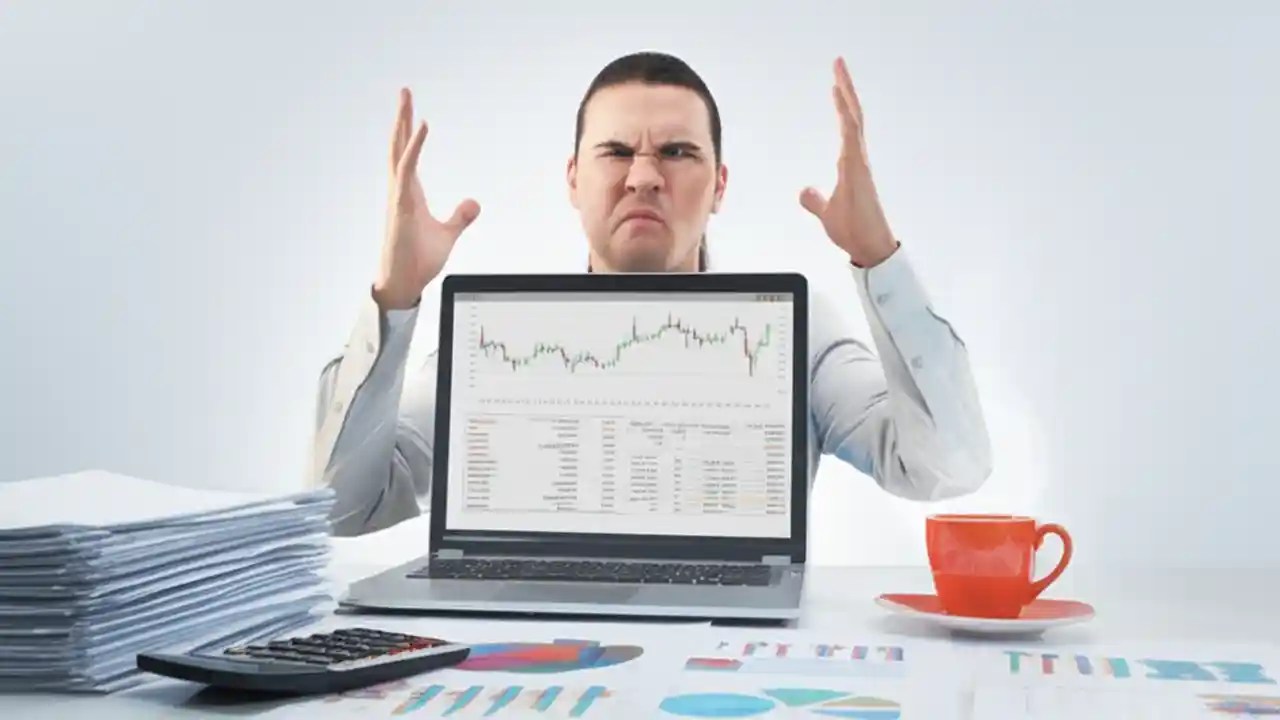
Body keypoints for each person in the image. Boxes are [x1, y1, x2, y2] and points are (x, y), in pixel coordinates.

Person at [310, 51, 992, 537]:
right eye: (615, 152)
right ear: (573, 179)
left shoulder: (796, 329)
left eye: (677, 152)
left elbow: (946, 468)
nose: (643, 177)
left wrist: (878, 258)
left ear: (720, 185)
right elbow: (342, 508)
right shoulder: (499, 338)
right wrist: (393, 297)